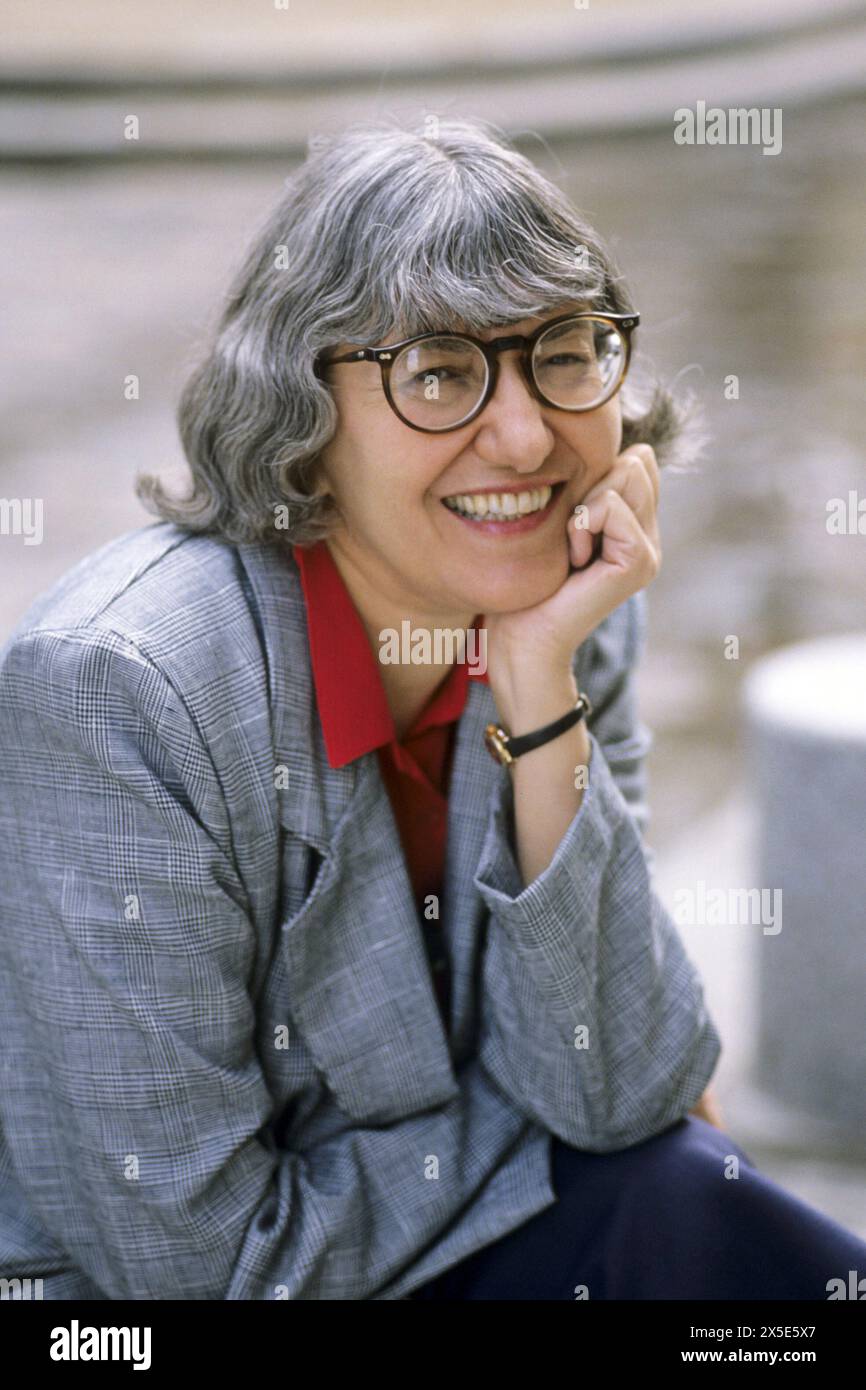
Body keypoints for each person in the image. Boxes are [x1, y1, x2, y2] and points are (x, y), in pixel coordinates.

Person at [0, 118, 863, 1301]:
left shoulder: (572, 608)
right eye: (439, 373)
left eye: (563, 351)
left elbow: (616, 1089)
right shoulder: (120, 689)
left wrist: (539, 693)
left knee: (689, 1203)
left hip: (412, 1250)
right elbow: (199, 1268)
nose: (522, 435)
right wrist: (524, 1138)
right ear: (303, 423)